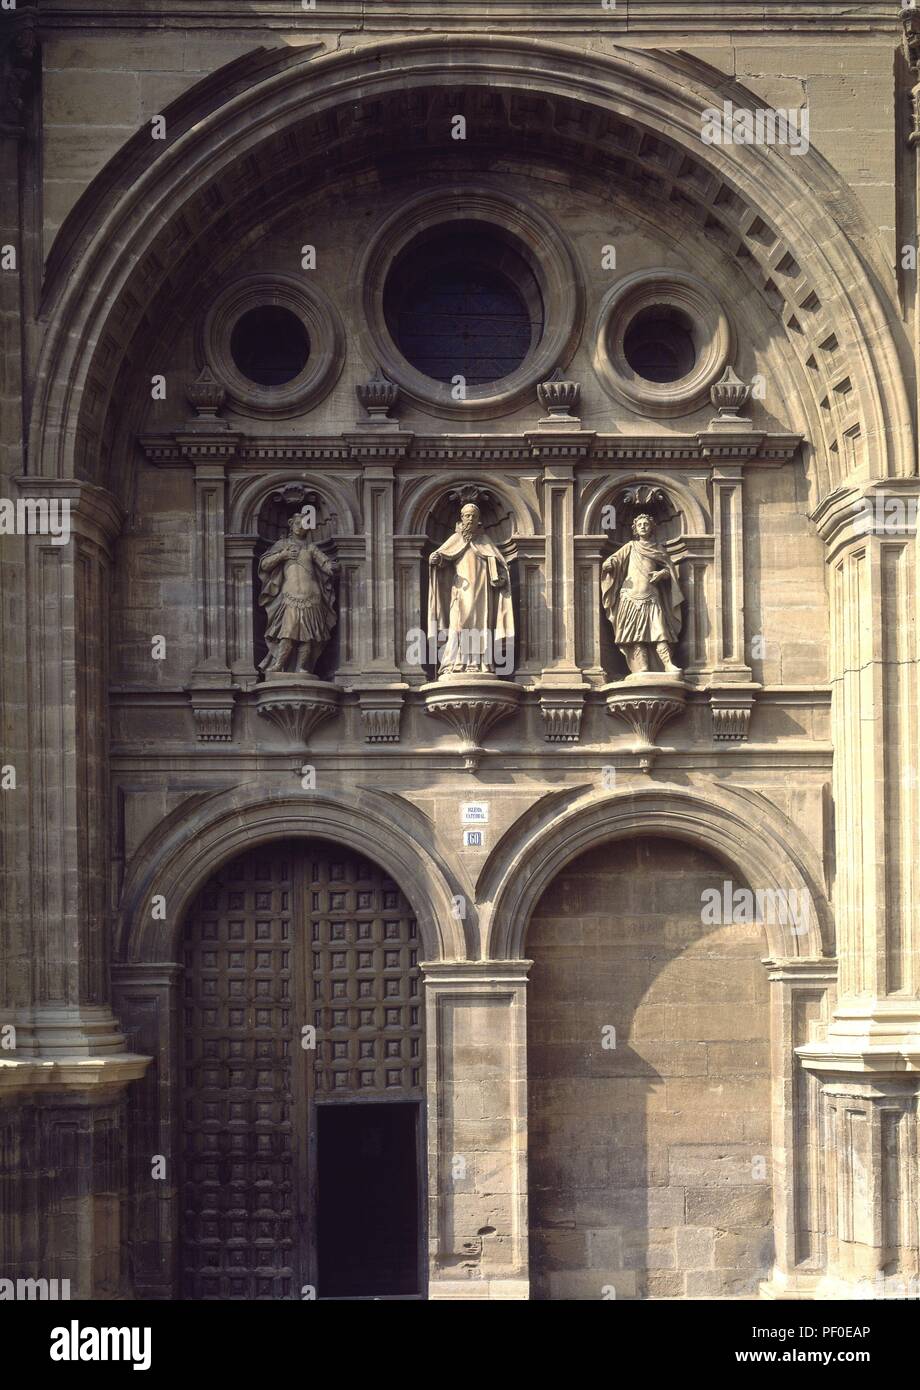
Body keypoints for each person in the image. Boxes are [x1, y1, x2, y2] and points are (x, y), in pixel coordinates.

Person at [427, 502, 514, 675]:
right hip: (461, 590)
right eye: (467, 515)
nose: (470, 519)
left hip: (483, 593)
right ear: (461, 517)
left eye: (474, 516)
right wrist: (435, 559)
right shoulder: (455, 539)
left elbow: (500, 566)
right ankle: (454, 663)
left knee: (480, 625)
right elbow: (442, 558)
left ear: (479, 519)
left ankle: (480, 664)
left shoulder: (485, 541)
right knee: (458, 624)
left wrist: (501, 578)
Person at [601, 512, 683, 674]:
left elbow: (670, 569)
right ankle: (642, 666)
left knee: (660, 631)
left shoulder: (657, 549)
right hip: (630, 596)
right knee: (637, 635)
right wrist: (608, 564)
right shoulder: (630, 546)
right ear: (635, 530)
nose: (643, 527)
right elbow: (614, 561)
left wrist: (662, 574)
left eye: (646, 524)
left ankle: (668, 664)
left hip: (651, 597)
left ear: (652, 527)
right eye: (640, 525)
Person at [258, 509, 338, 674]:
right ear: (291, 525)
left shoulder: (311, 548)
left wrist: (333, 567)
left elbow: (325, 563)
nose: (300, 527)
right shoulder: (283, 545)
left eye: (303, 524)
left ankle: (303, 667)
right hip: (290, 596)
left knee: (308, 635)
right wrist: (283, 555)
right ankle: (279, 665)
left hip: (312, 596)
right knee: (288, 632)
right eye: (297, 524)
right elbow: (265, 564)